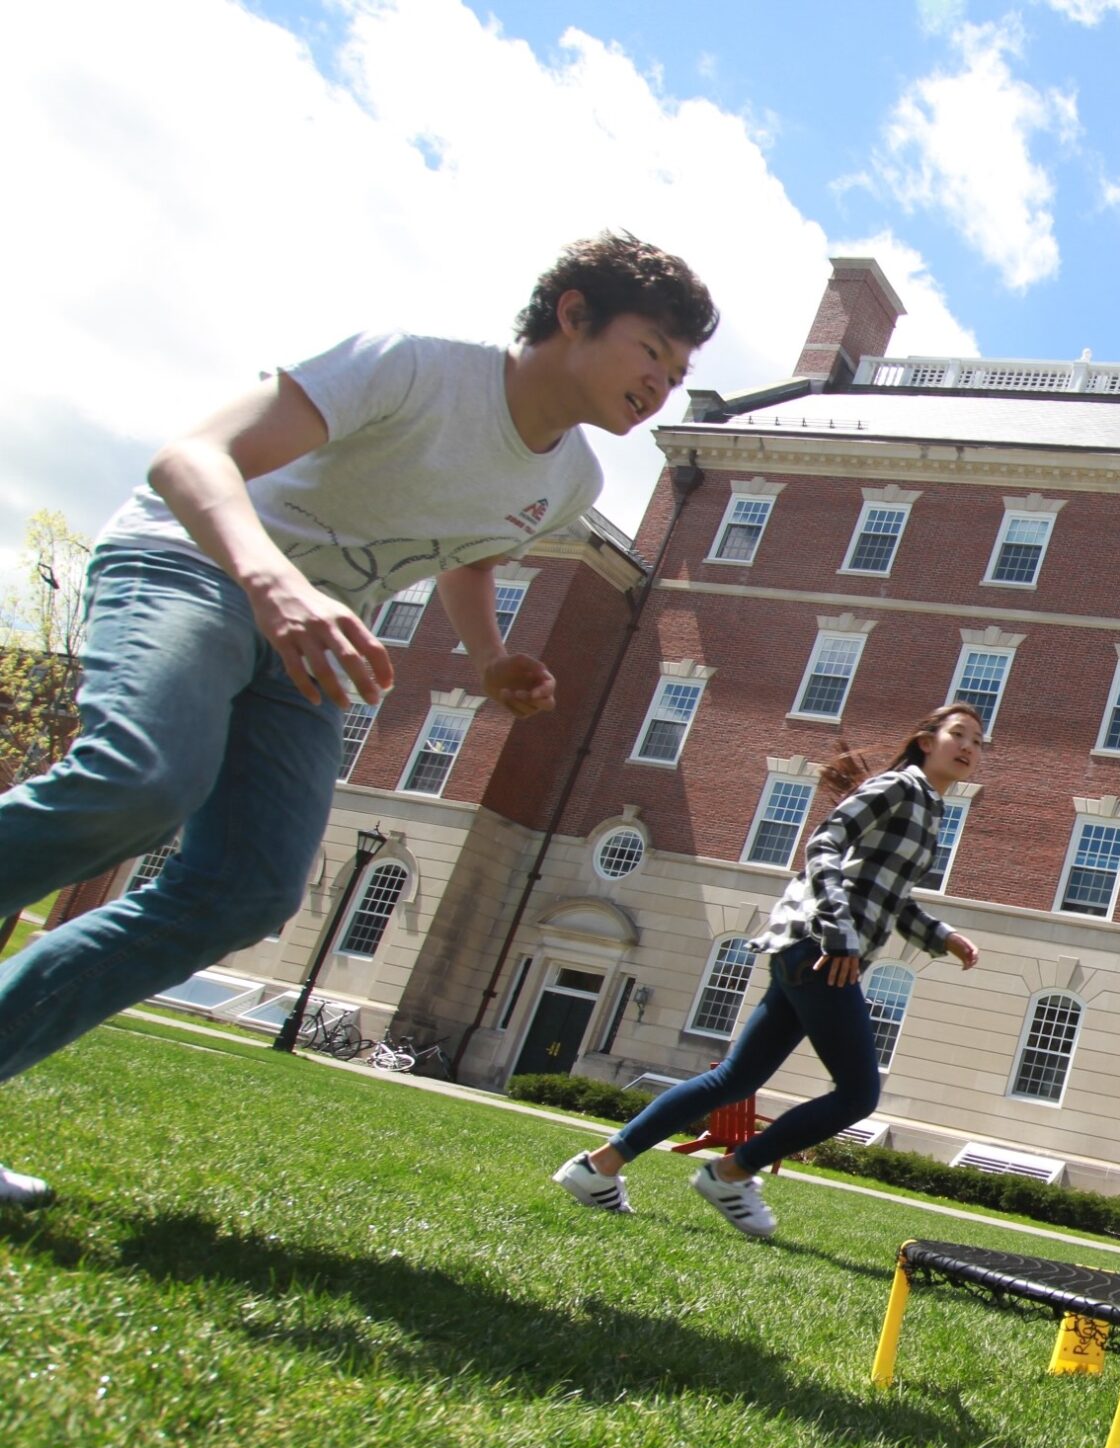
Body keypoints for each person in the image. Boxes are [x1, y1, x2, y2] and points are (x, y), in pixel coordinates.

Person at [0, 232, 717, 1211]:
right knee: (142, 780)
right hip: (193, 567)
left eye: (678, 374)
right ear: (574, 313)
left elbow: (471, 550)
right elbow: (191, 457)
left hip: (303, 649)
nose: (661, 386)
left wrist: (488, 656)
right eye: (652, 352)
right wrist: (274, 582)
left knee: (247, 891)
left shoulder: (573, 483)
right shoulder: (410, 366)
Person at [552, 702, 985, 1239]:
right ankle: (731, 1174)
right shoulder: (900, 786)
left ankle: (598, 1168)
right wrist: (838, 932)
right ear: (926, 740)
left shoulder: (930, 809)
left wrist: (941, 937)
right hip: (821, 950)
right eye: (958, 734)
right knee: (857, 1094)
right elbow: (824, 843)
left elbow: (888, 896)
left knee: (734, 1079)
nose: (969, 748)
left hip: (811, 950)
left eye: (977, 742)